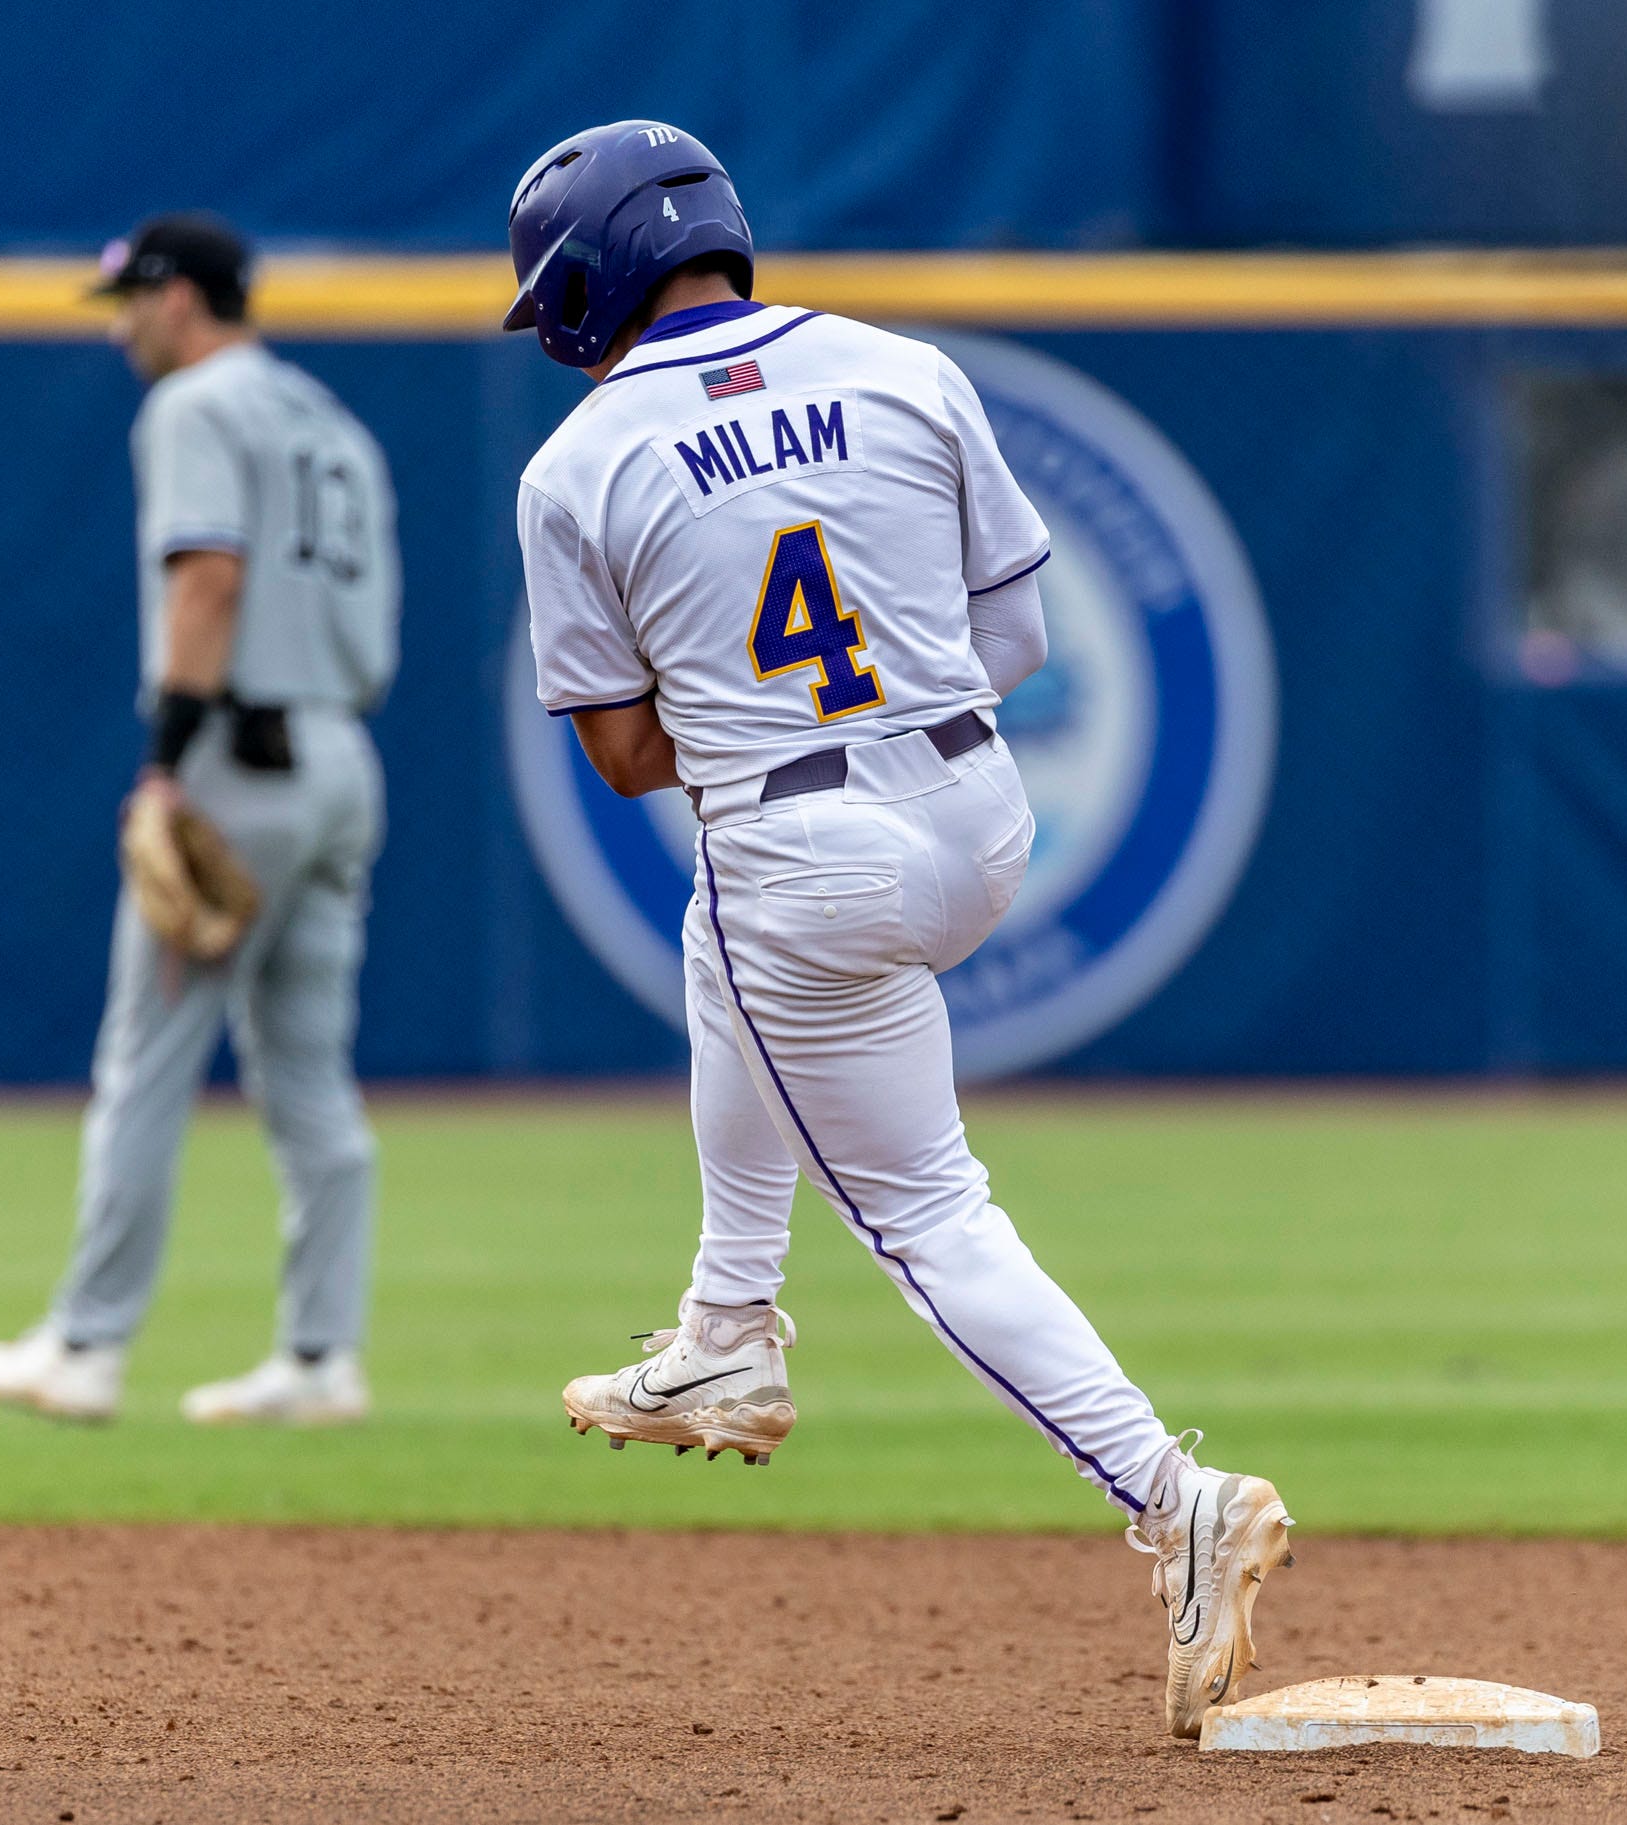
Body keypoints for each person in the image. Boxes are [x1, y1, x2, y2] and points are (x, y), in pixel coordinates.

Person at [501, 121, 1294, 1739]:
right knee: (721, 942)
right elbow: (1013, 632)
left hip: (806, 851)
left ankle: (1173, 1499)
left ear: (593, 276)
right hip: (975, 812)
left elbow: (625, 753)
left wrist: (743, 715)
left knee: (927, 1218)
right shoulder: (900, 367)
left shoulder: (576, 462)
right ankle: (723, 1332)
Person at [0, 212, 399, 1428]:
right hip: (339, 756)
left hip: (236, 758)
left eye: (128, 303)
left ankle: (86, 1347)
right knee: (309, 1077)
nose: (119, 329)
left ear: (180, 298)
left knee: (145, 1062)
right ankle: (322, 1359)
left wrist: (165, 764)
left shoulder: (196, 408)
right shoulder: (329, 418)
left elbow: (207, 575)